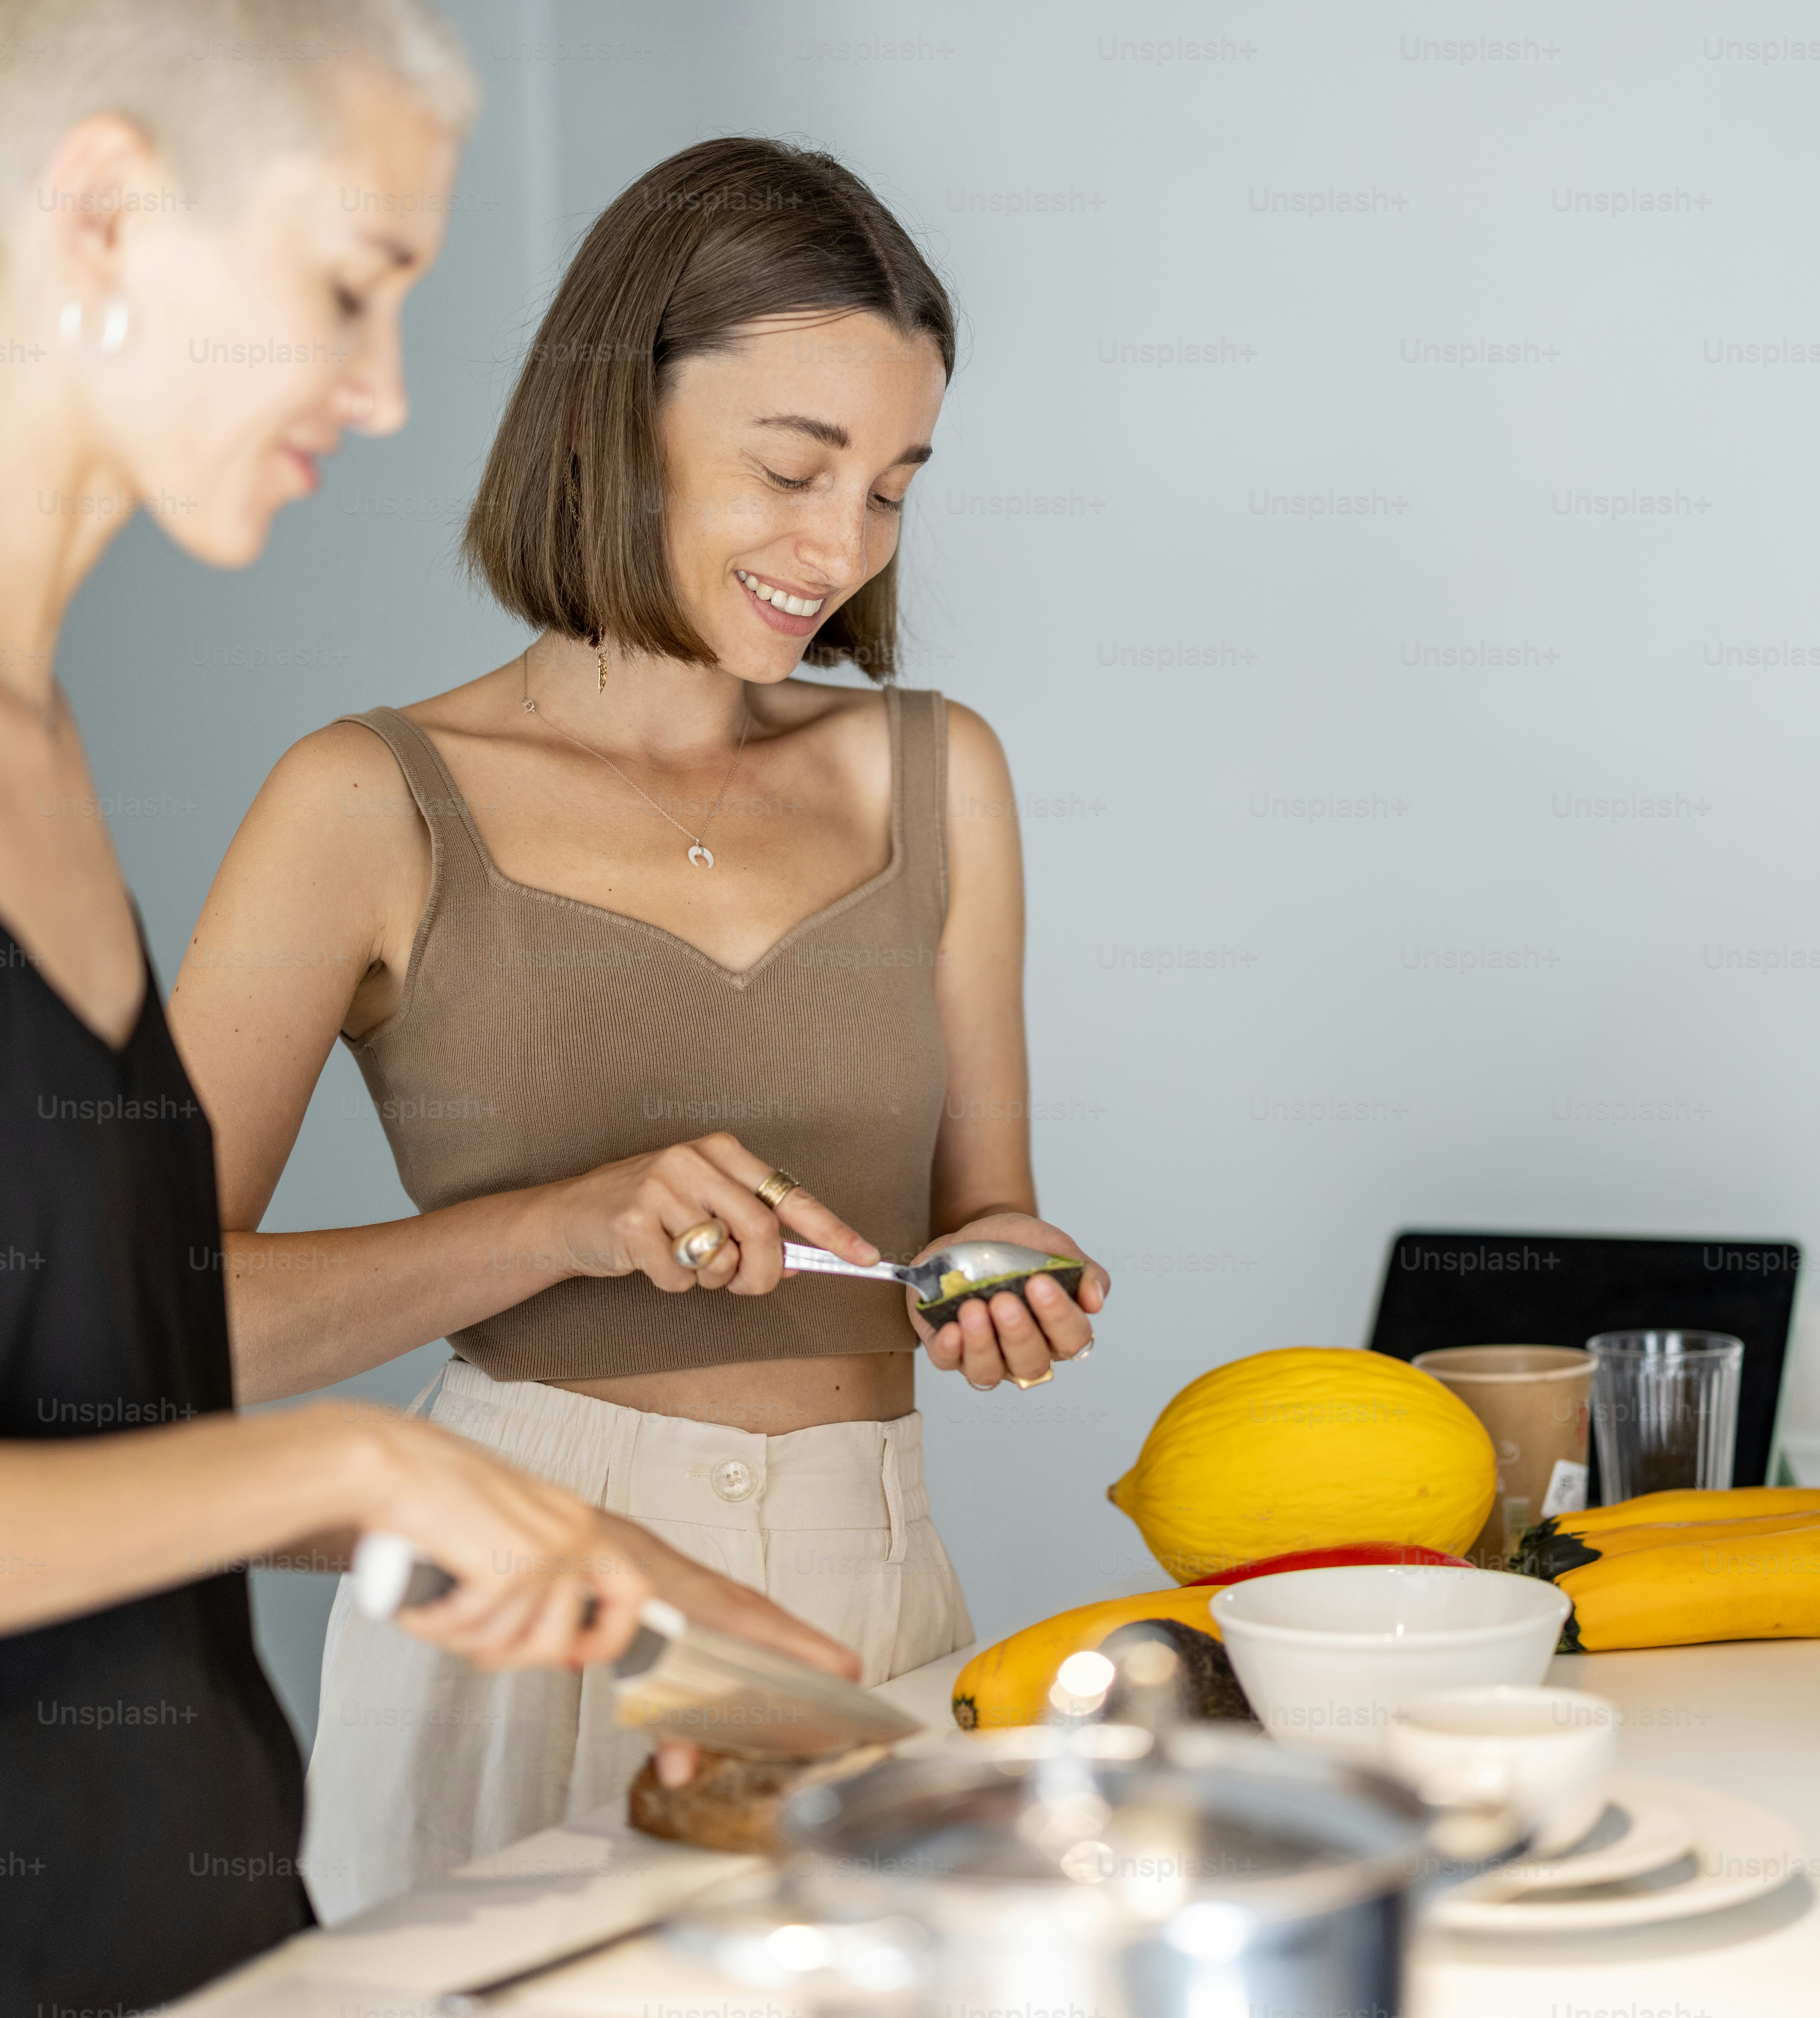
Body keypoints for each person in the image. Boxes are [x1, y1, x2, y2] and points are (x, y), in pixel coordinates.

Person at [0, 7, 845, 2010]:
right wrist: (350, 1474)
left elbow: (52, 1399)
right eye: (348, 284)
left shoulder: (15, 735)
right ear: (107, 205)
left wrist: (518, 1525)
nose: (387, 389)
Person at [167, 135, 1112, 1916]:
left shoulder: (935, 774)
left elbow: (982, 1207)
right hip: (521, 1604)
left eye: (895, 487)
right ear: (619, 420)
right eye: (791, 467)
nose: (838, 547)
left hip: (874, 1590)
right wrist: (561, 1220)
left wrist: (1004, 1269)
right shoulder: (364, 802)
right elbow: (138, 1334)